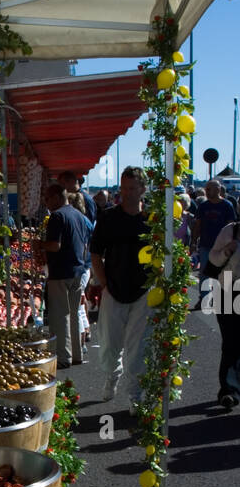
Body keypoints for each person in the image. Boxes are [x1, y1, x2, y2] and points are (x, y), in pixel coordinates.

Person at [89, 166, 150, 410]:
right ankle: (111, 376)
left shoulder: (152, 219)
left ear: (143, 189)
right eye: (124, 188)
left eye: (132, 188)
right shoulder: (109, 217)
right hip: (113, 289)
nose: (126, 193)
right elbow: (95, 253)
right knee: (109, 344)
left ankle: (135, 395)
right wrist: (103, 283)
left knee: (138, 348)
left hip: (144, 292)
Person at [42, 182, 93, 367]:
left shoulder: (57, 216)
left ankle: (64, 357)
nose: (45, 202)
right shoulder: (78, 215)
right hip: (78, 270)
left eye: (47, 198)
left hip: (61, 272)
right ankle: (76, 354)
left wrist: (38, 244)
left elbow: (55, 245)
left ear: (57, 196)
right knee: (73, 314)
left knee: (60, 315)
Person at [201, 217, 240, 409]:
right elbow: (213, 258)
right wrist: (227, 250)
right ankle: (228, 391)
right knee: (231, 342)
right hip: (227, 290)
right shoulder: (231, 231)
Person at [191, 180, 236, 307]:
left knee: (223, 272)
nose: (207, 192)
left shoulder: (227, 206)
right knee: (205, 273)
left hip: (222, 246)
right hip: (206, 244)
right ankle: (204, 298)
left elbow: (231, 225)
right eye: (206, 189)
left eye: (209, 189)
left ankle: (222, 300)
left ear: (217, 190)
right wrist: (194, 242)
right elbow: (198, 225)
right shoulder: (203, 206)